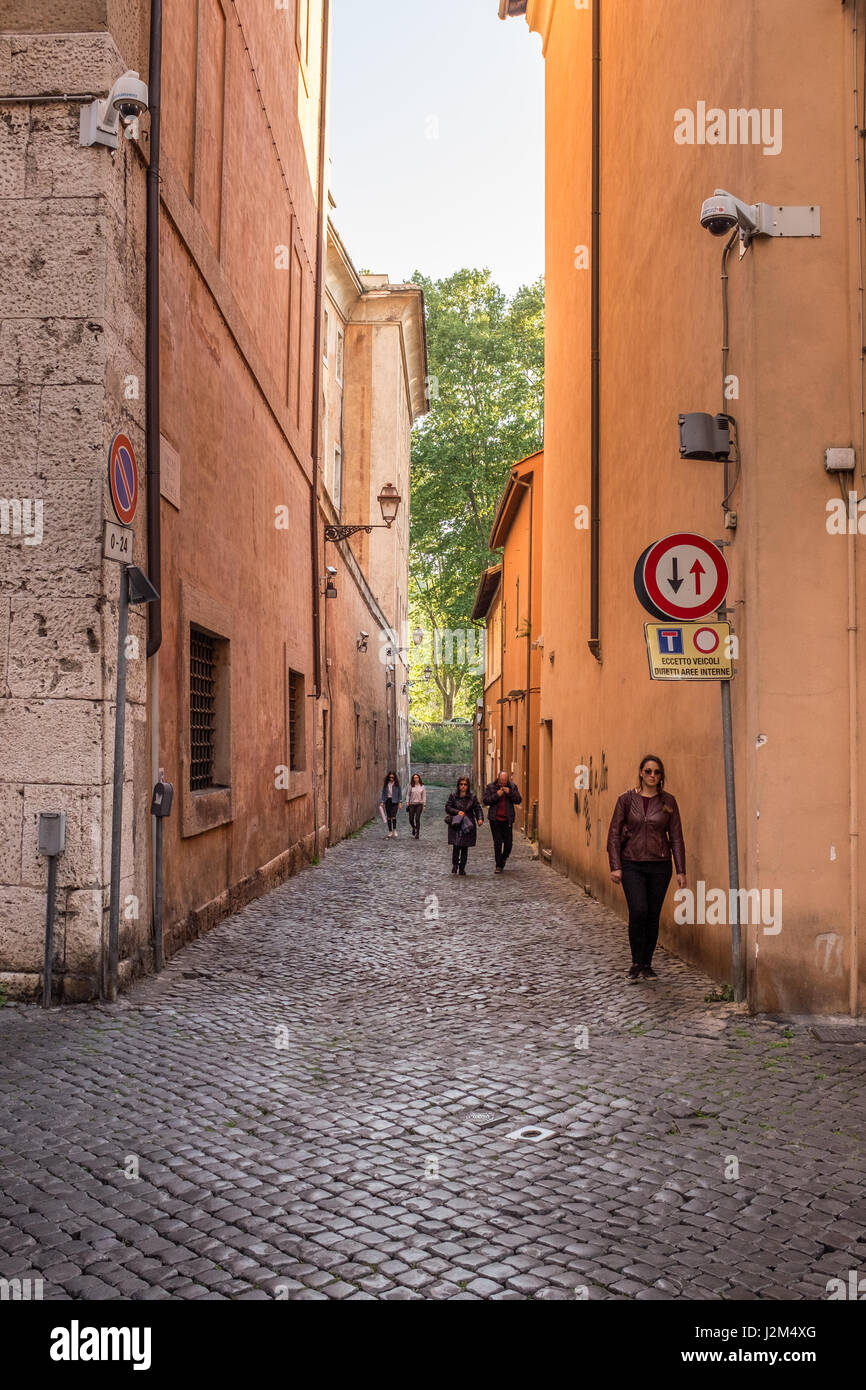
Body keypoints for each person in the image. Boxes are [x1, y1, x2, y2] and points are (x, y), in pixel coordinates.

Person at [606, 754, 686, 981]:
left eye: (657, 772)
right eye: (648, 771)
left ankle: (647, 964)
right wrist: (616, 866)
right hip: (632, 863)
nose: (652, 775)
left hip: (660, 865)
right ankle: (636, 961)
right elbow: (613, 834)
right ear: (641, 773)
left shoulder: (668, 802)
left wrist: (681, 870)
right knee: (638, 911)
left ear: (661, 776)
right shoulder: (626, 800)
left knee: (652, 915)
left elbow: (677, 837)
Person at [483, 770, 523, 873]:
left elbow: (518, 800)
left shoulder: (512, 787)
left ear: (507, 780)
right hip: (495, 819)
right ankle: (499, 866)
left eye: (504, 782)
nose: (502, 784)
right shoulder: (491, 786)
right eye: (501, 782)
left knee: (508, 844)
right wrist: (497, 795)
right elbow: (486, 800)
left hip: (507, 820)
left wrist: (509, 792)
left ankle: (504, 858)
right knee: (497, 843)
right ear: (498, 779)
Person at [444, 776, 484, 875]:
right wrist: (457, 812)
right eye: (461, 784)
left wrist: (480, 818)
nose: (463, 786)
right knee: (456, 846)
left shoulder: (472, 797)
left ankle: (462, 868)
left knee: (465, 848)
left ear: (468, 786)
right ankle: (455, 865)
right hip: (456, 824)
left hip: (468, 824)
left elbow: (478, 808)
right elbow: (448, 807)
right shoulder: (453, 796)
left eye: (465, 784)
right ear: (458, 785)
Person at [380, 770, 402, 838]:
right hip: (388, 801)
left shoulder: (397, 785)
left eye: (392, 777)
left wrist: (400, 802)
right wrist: (382, 801)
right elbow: (383, 793)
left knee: (393, 816)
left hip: (395, 801)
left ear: (394, 777)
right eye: (390, 777)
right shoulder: (386, 784)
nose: (391, 779)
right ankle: (390, 831)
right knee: (389, 817)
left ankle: (394, 830)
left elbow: (399, 794)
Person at [406, 773, 426, 838]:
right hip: (411, 804)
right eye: (414, 778)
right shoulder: (411, 786)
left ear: (419, 778)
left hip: (419, 805)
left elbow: (424, 796)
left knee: (417, 818)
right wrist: (407, 802)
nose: (416, 779)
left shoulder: (422, 786)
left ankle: (417, 833)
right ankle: (414, 827)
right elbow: (408, 794)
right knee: (411, 819)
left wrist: (424, 805)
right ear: (413, 779)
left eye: (417, 777)